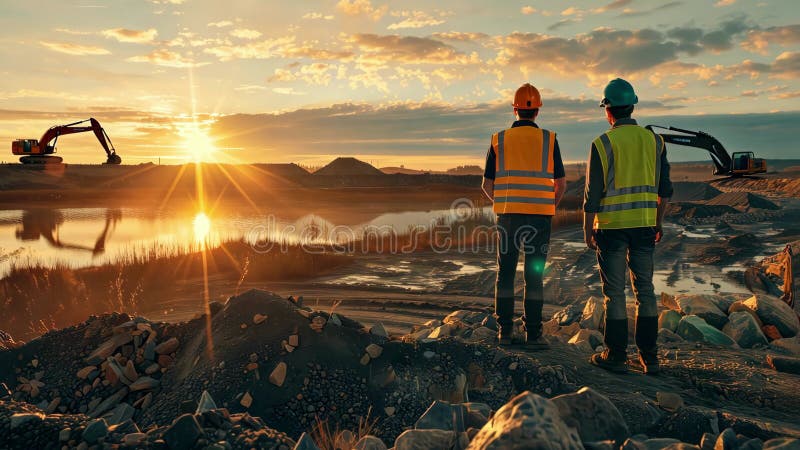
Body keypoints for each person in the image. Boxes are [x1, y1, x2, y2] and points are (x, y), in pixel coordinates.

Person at [583, 78, 673, 374]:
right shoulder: (655, 142)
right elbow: (665, 190)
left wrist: (587, 229)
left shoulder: (602, 143)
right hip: (645, 226)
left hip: (610, 228)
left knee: (615, 293)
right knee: (645, 290)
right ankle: (650, 357)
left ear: (608, 110)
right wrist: (658, 222)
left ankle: (617, 355)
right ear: (632, 106)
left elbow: (591, 196)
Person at [482, 83, 566, 348]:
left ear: (515, 109)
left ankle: (504, 332)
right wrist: (547, 205)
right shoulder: (549, 139)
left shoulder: (499, 139)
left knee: (505, 273)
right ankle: (533, 334)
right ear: (537, 111)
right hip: (540, 218)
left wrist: (504, 203)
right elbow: (560, 183)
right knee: (534, 275)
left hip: (508, 217)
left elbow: (486, 185)